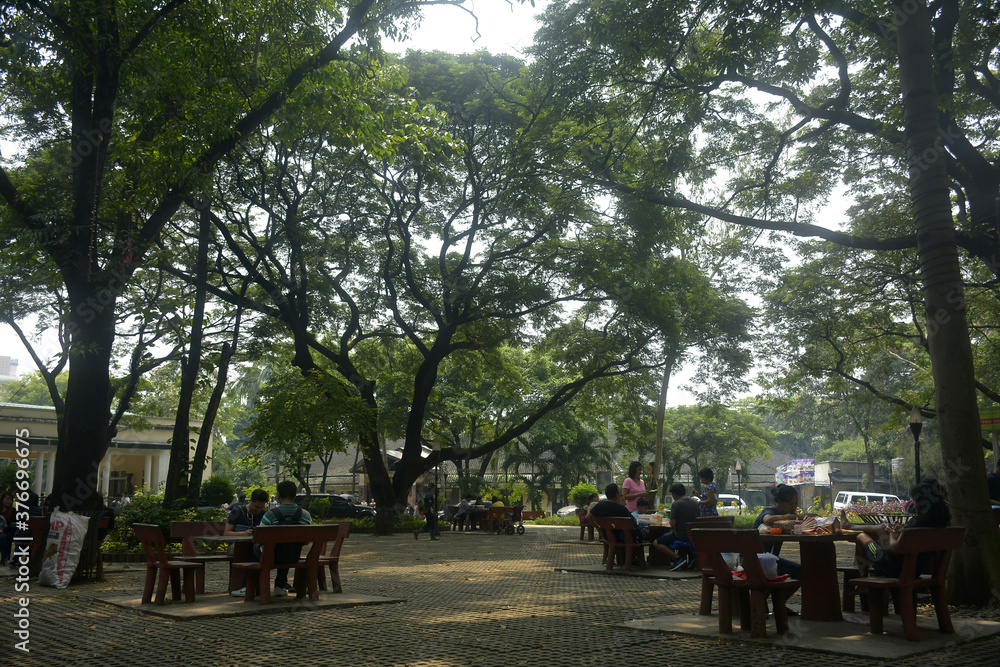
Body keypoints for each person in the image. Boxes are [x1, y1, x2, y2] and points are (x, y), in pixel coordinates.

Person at [846, 479, 951, 578]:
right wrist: (904, 529)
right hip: (916, 570)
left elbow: (895, 548)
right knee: (881, 531)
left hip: (892, 568)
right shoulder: (940, 523)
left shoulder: (918, 522)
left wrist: (891, 533)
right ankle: (850, 526)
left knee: (861, 537)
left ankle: (862, 579)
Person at [256, 480, 311, 597]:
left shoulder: (270, 515)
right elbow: (306, 540)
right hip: (293, 556)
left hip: (271, 557)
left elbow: (260, 538)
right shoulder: (305, 515)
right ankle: (280, 585)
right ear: (295, 496)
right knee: (286, 547)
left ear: (278, 495)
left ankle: (252, 586)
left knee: (254, 549)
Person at [753, 484, 812, 578]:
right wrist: (797, 517)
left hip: (770, 559)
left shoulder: (789, 520)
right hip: (756, 560)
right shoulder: (770, 512)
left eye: (796, 503)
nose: (794, 507)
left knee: (802, 570)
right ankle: (779, 592)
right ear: (780, 502)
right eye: (790, 504)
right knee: (800, 571)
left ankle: (779, 593)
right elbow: (768, 520)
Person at [652, 483, 701, 570]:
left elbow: (672, 523)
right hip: (694, 535)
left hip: (680, 535)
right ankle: (691, 559)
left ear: (674, 494)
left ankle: (677, 559)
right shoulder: (695, 503)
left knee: (656, 542)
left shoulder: (676, 504)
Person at [0, 492, 14, 566]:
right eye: (7, 499)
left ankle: (4, 557)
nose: (9, 501)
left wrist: (3, 530)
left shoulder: (13, 511)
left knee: (2, 537)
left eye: (10, 499)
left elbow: (12, 525)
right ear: (2, 499)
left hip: (8, 532)